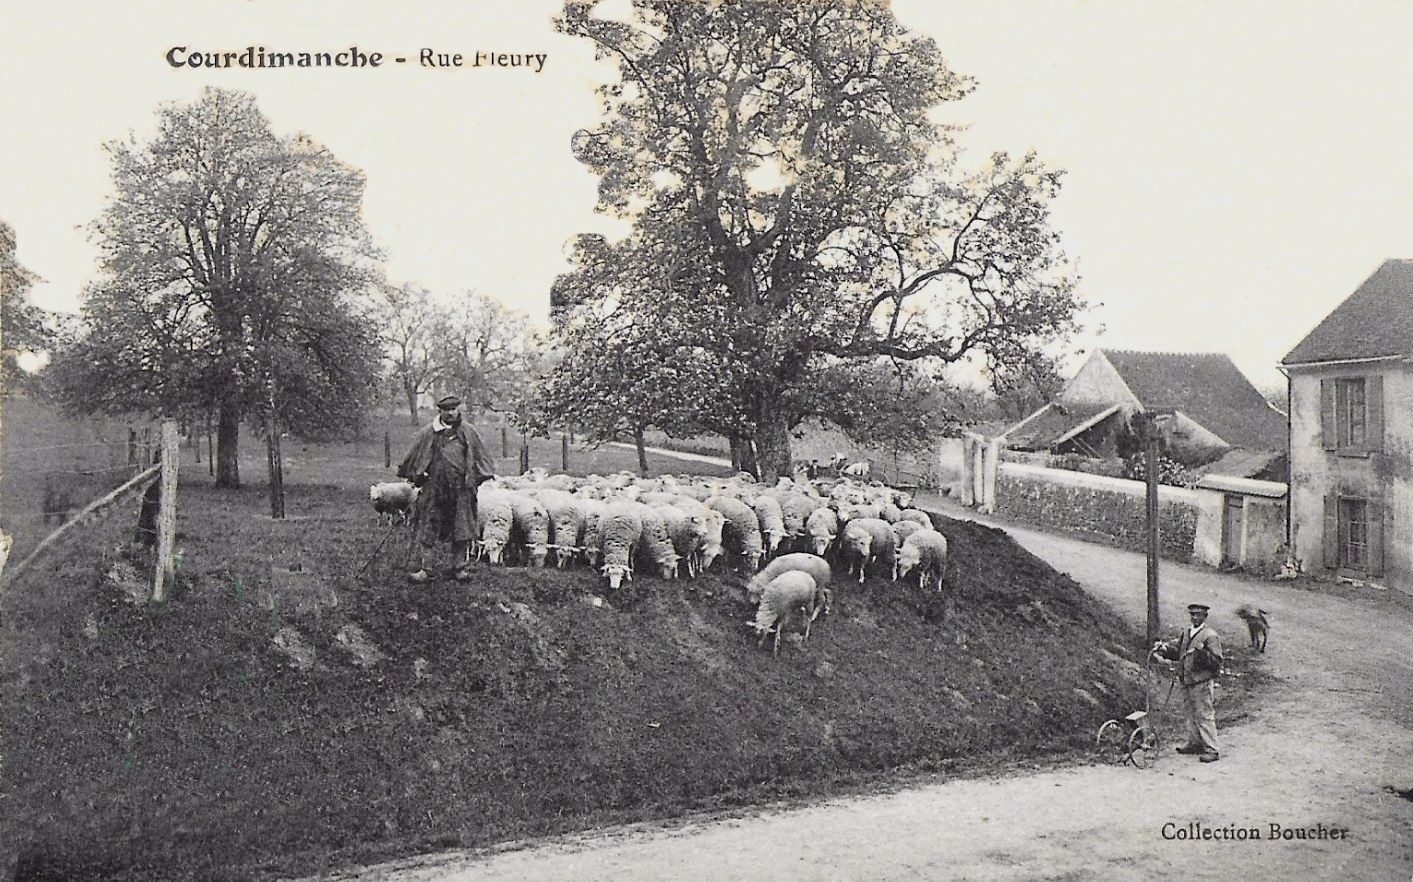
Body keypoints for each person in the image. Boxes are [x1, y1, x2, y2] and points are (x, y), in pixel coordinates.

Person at [396, 395, 496, 583]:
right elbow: (413, 458)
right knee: (429, 528)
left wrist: (475, 480)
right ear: (439, 411)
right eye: (446, 410)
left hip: (461, 490)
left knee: (462, 529)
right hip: (434, 489)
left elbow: (482, 459)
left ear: (459, 410)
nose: (451, 413)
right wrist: (418, 476)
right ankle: (426, 570)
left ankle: (458, 568)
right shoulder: (428, 433)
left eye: (454, 409)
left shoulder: (469, 432)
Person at [1154, 603, 1224, 763]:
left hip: (1201, 681)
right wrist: (1164, 649)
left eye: (1198, 615)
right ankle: (1195, 743)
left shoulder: (1210, 636)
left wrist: (1201, 652)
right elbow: (1179, 652)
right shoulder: (1186, 633)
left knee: (1204, 714)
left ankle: (1212, 749)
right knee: (1190, 713)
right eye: (1192, 614)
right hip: (1186, 679)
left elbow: (1216, 661)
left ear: (1205, 617)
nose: (1194, 617)